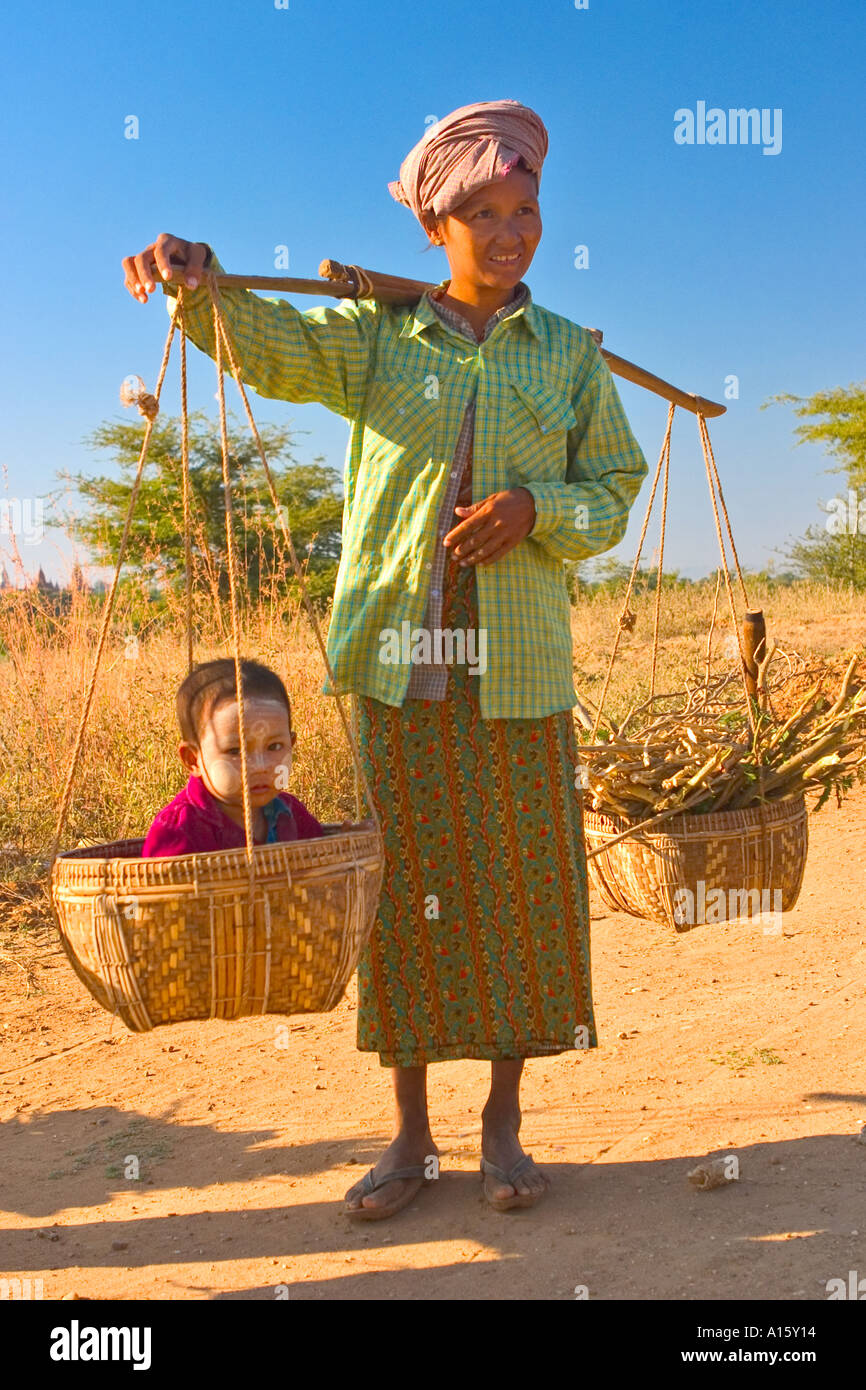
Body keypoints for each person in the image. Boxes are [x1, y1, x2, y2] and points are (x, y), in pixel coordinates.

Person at [122, 97, 649, 1216]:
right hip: (401, 662)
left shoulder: (564, 356)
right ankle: (408, 1138)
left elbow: (614, 488)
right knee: (408, 898)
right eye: (484, 214)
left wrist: (533, 508)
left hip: (515, 671)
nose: (510, 233)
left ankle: (501, 1125)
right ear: (435, 228)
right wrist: (198, 279)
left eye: (526, 208)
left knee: (519, 898)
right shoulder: (375, 340)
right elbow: (267, 347)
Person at [141, 658, 356, 856]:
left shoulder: (291, 815)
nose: (260, 766)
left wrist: (345, 849)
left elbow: (321, 867)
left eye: (274, 746)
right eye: (235, 751)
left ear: (292, 745)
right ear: (193, 759)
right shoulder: (178, 832)